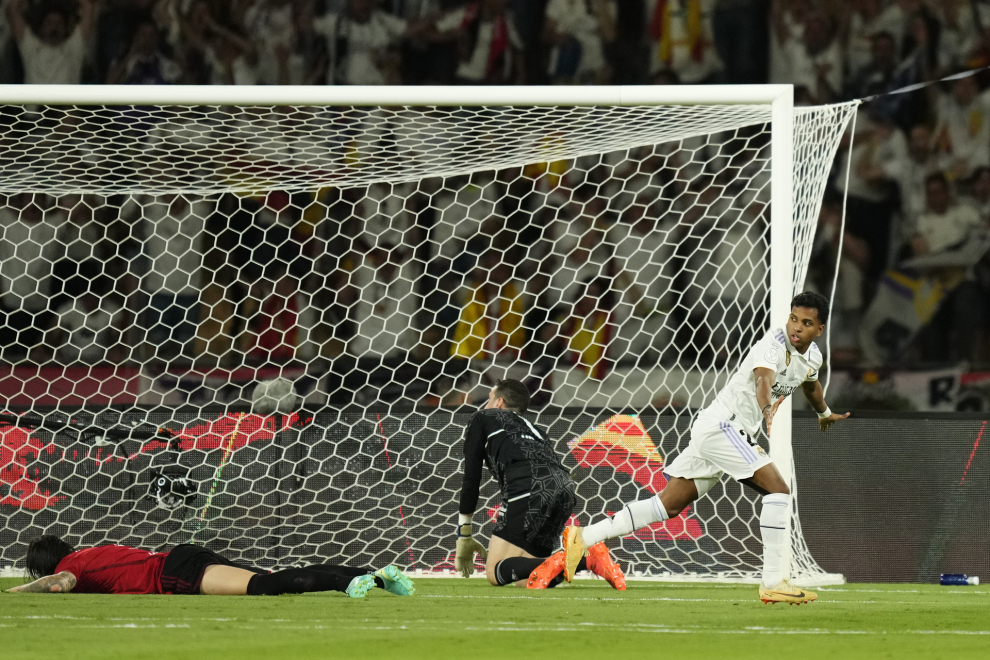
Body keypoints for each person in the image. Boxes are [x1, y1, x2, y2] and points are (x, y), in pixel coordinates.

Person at [562, 292, 850, 604]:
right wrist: (767, 409)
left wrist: (823, 412)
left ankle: (585, 536)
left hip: (718, 430)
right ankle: (774, 581)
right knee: (778, 491)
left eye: (806, 323)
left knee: (667, 506)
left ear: (819, 330)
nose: (796, 327)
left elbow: (810, 383)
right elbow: (763, 381)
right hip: (723, 427)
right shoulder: (773, 344)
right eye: (793, 318)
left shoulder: (813, 357)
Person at [454, 379, 625, 589]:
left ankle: (586, 560)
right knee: (528, 579)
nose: (486, 405)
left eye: (489, 399)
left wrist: (464, 534)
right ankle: (591, 562)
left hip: (530, 486)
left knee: (494, 571)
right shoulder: (536, 430)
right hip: (564, 488)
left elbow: (472, 476)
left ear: (499, 402)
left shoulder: (483, 417)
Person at [7, 535, 414, 599]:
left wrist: (19, 592)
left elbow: (58, 583)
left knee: (264, 588)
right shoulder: (91, 551)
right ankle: (376, 573)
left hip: (174, 573)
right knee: (269, 580)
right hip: (179, 557)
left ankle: (349, 584)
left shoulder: (71, 567)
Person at [7, 0, 95, 84]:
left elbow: (88, 7)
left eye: (59, 23)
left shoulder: (74, 46)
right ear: (41, 28)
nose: (54, 27)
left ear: (65, 29)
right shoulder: (30, 45)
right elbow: (13, 8)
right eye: (49, 22)